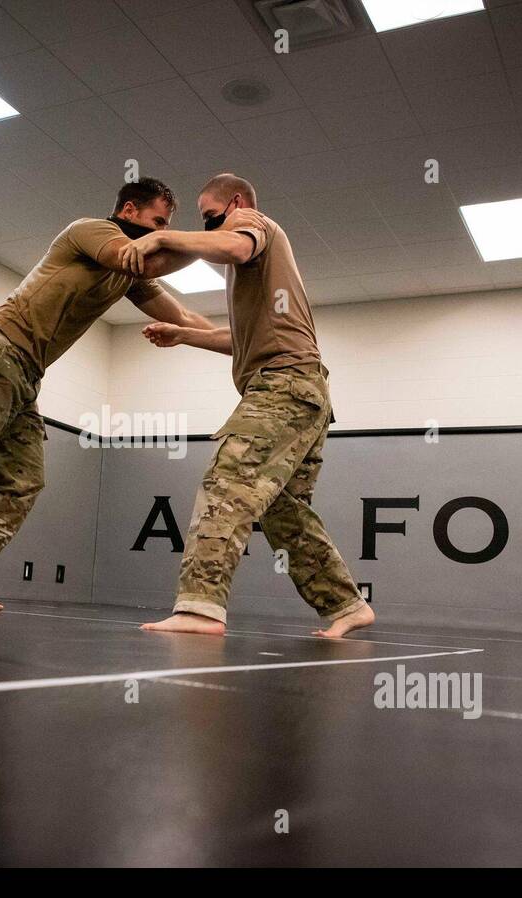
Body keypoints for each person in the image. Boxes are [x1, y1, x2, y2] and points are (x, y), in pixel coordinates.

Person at [0, 178, 232, 612]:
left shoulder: (126, 276)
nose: (159, 232)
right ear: (128, 211)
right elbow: (144, 262)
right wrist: (220, 240)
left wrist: (241, 344)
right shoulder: (91, 232)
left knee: (23, 481)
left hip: (26, 373)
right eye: (156, 222)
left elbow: (181, 314)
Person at [121, 173, 374, 638]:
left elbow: (235, 246)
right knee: (285, 510)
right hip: (305, 391)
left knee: (228, 481)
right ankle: (346, 604)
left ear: (235, 203)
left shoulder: (255, 226)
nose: (209, 227)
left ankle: (199, 609)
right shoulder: (255, 278)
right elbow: (239, 340)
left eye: (211, 216)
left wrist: (160, 235)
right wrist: (184, 335)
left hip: (283, 386)